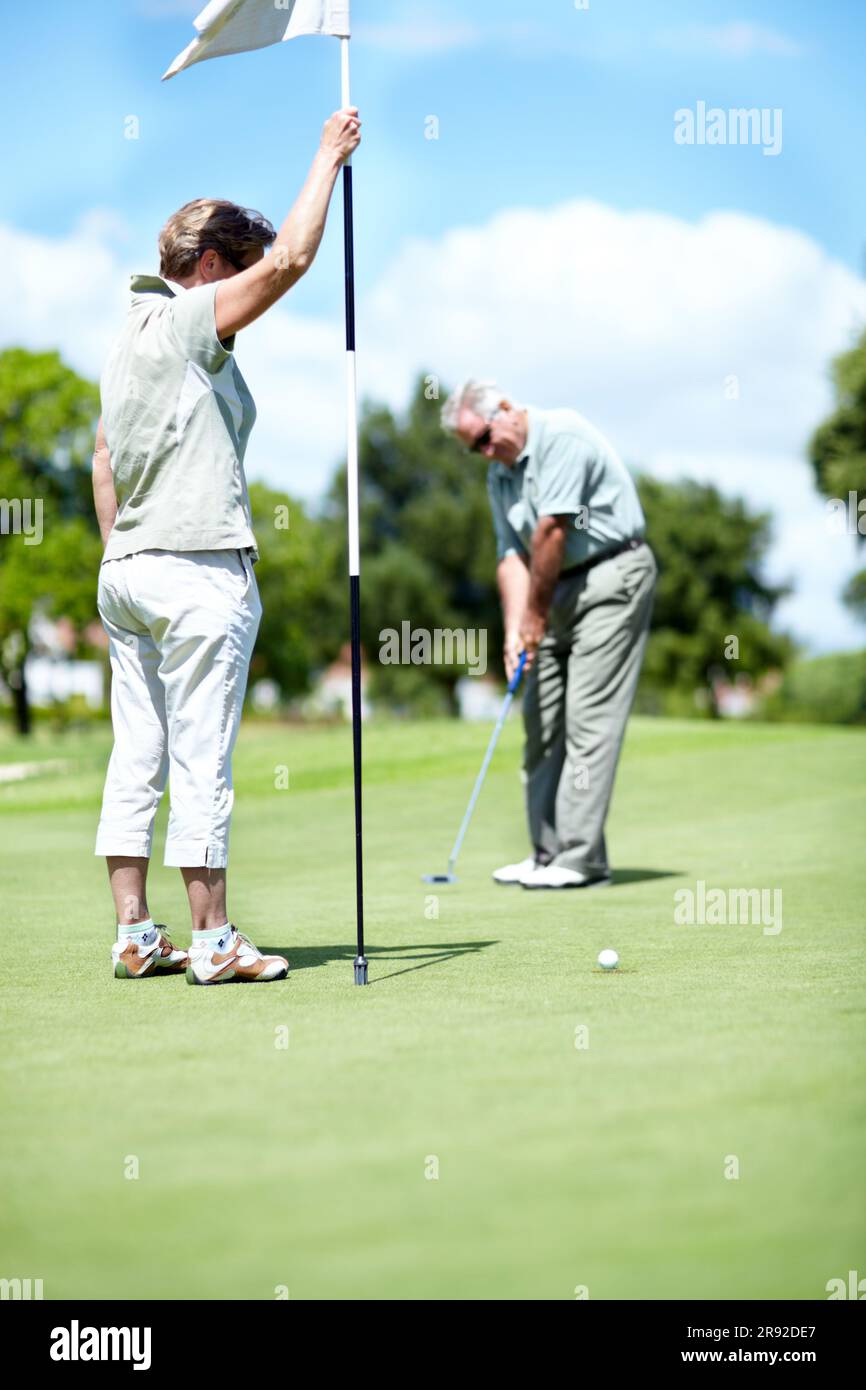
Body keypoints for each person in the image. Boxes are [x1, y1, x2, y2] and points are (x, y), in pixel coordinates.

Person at [93, 107, 361, 982]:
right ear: (208, 267)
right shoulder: (185, 321)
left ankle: (136, 934)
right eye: (235, 275)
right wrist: (326, 155)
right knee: (200, 754)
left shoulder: (125, 336)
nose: (250, 294)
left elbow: (103, 460)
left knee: (139, 754)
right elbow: (291, 259)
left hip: (131, 569)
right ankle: (212, 941)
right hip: (196, 568)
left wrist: (117, 556)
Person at [441, 380, 657, 889]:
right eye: (475, 448)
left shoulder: (563, 436)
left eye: (487, 437)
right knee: (540, 717)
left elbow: (551, 532)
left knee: (587, 717)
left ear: (508, 409)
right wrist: (517, 629)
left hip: (612, 575)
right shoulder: (500, 477)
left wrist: (534, 617)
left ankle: (581, 859)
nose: (486, 452)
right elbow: (511, 555)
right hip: (553, 587)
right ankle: (546, 852)